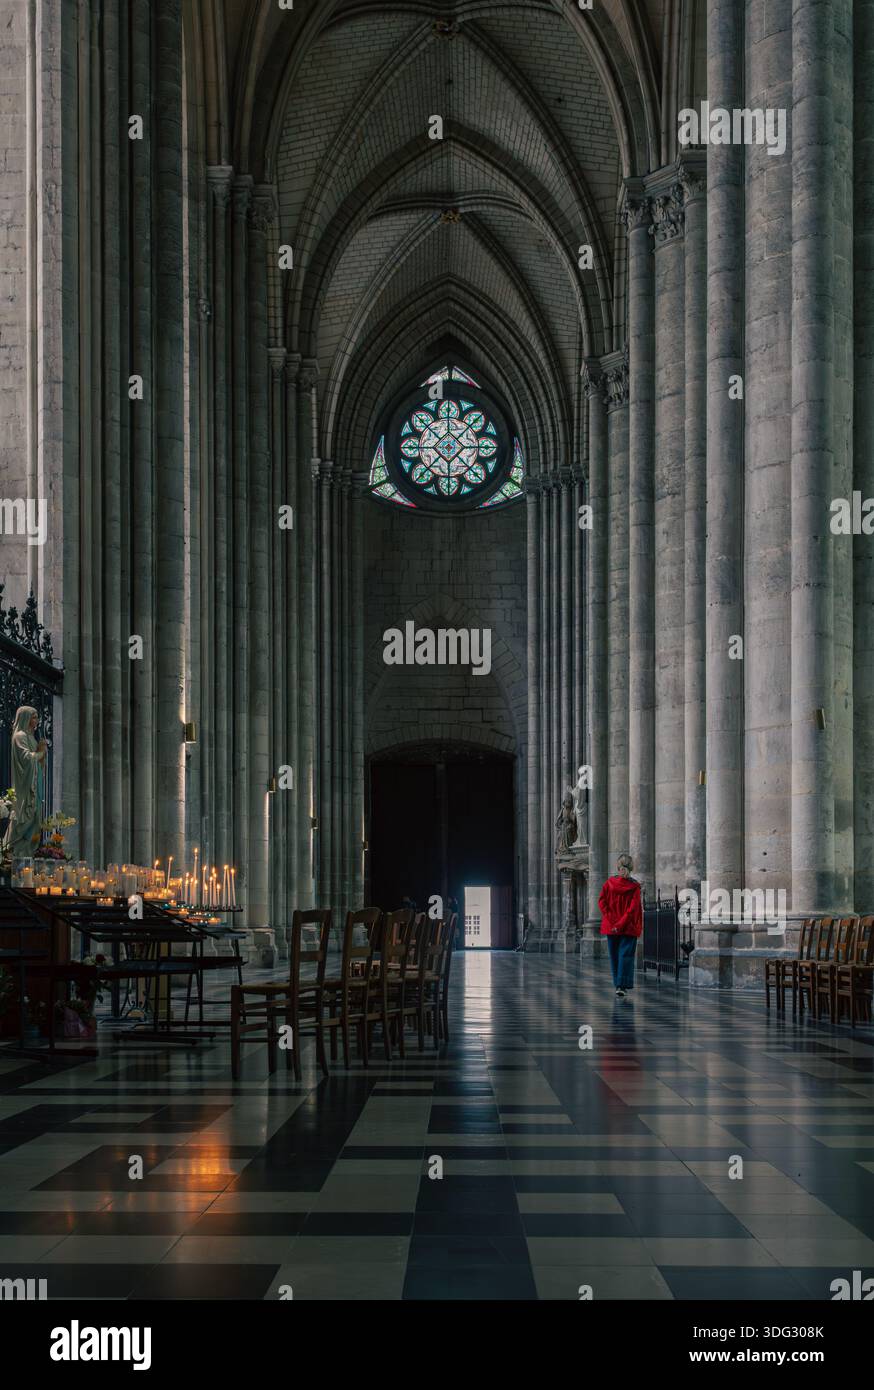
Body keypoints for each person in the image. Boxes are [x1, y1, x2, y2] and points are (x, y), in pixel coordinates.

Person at [3, 706, 47, 858]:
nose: (36, 720)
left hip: (34, 786)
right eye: (34, 717)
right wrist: (41, 752)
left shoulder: (32, 738)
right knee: (21, 820)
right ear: (26, 718)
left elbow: (38, 763)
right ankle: (9, 855)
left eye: (36, 717)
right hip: (25, 788)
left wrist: (42, 754)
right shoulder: (19, 736)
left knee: (34, 822)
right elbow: (27, 759)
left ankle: (26, 856)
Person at [598, 853, 642, 999]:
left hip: (612, 927)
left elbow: (601, 902)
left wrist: (613, 922)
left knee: (615, 956)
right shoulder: (634, 886)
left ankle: (618, 983)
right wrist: (621, 923)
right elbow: (633, 909)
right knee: (626, 956)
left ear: (618, 867)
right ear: (631, 867)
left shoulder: (609, 883)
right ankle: (621, 985)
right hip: (628, 927)